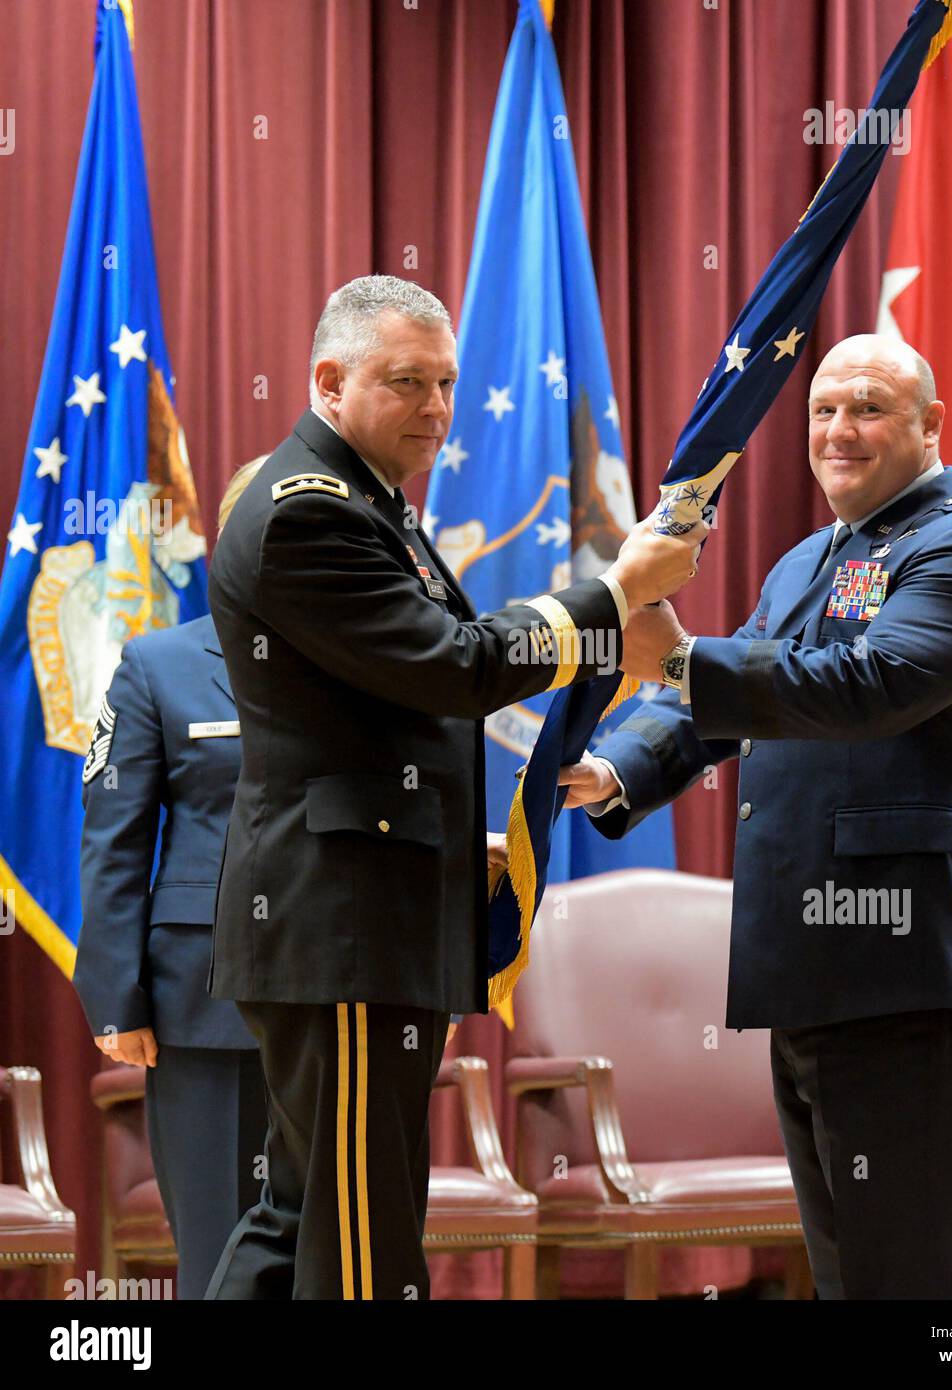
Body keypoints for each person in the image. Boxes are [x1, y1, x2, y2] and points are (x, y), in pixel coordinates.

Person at [204, 274, 703, 1301]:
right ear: (328, 382)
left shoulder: (371, 507)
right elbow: (454, 668)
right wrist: (609, 596)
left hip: (367, 903)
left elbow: (399, 701)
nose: (436, 409)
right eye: (406, 383)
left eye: (444, 383)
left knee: (298, 1215)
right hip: (342, 923)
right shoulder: (311, 515)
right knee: (358, 1236)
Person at [562, 334, 952, 1300]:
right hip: (812, 967)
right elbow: (730, 695)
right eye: (822, 411)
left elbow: (869, 684)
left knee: (898, 1275)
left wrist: (679, 660)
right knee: (845, 1272)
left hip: (902, 968)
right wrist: (609, 771)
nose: (838, 431)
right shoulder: (804, 565)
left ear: (929, 425)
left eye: (866, 407)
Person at [74, 458, 270, 1300]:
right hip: (207, 1003)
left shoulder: (380, 662)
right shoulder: (158, 665)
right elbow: (115, 839)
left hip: (353, 992)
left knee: (349, 1247)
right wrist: (118, 994)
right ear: (238, 541)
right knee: (225, 1255)